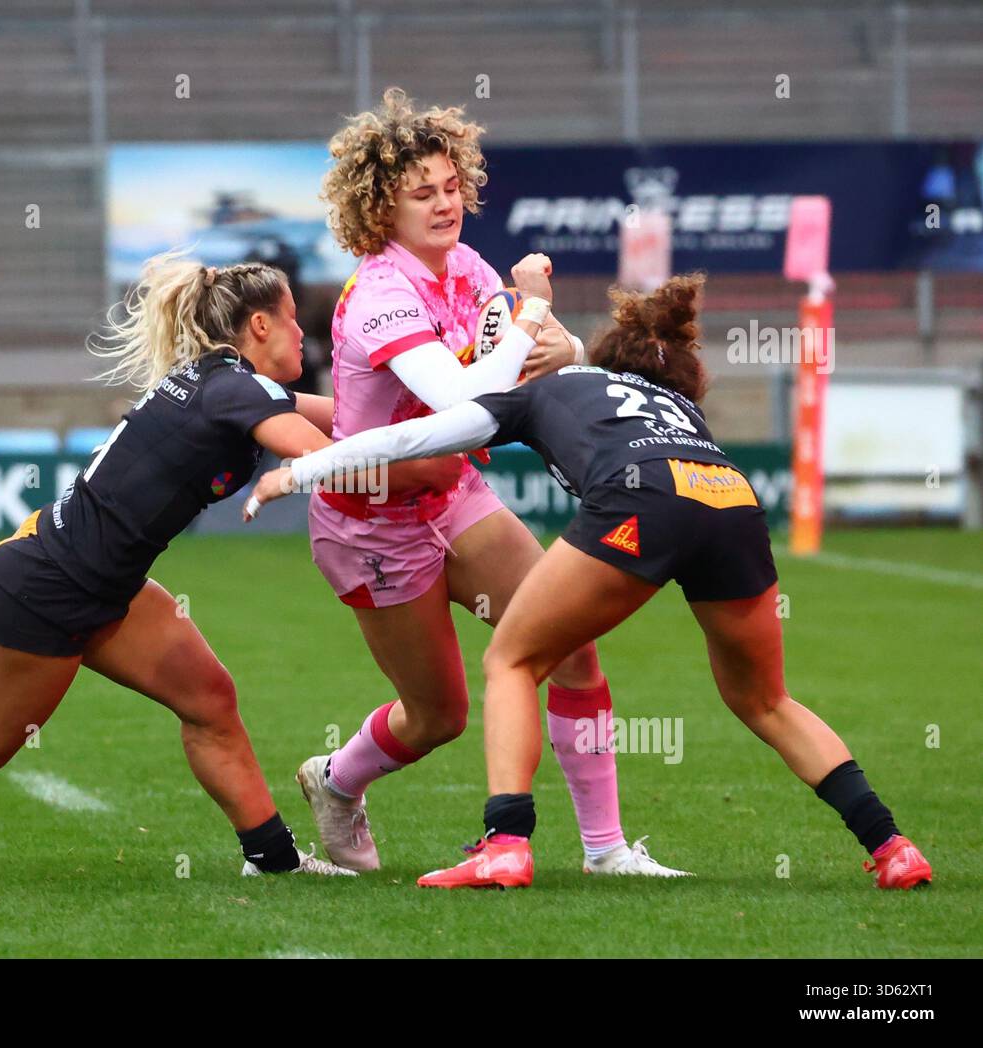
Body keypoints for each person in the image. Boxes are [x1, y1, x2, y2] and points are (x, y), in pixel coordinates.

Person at [247, 273, 933, 892]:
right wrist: (556, 335)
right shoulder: (666, 397)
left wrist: (301, 471)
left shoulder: (533, 390)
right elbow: (588, 364)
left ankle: (506, 845)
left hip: (644, 500)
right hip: (730, 498)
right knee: (766, 700)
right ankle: (892, 846)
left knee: (513, 659)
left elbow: (412, 439)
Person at [0, 254, 356, 880]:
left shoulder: (227, 381)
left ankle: (271, 861)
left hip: (99, 582)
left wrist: (427, 414)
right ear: (260, 326)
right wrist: (416, 458)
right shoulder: (236, 389)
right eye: (293, 319)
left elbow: (348, 415)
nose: (304, 334)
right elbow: (335, 458)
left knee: (210, 700)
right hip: (49, 587)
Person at [293, 86, 687, 877]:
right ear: (381, 206)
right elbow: (467, 399)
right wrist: (533, 310)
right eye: (422, 193)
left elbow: (547, 358)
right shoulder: (380, 295)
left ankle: (607, 851)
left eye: (452, 186)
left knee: (571, 647)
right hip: (371, 526)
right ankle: (335, 780)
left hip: (454, 497)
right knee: (438, 716)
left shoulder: (467, 267)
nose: (445, 205)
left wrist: (562, 342)